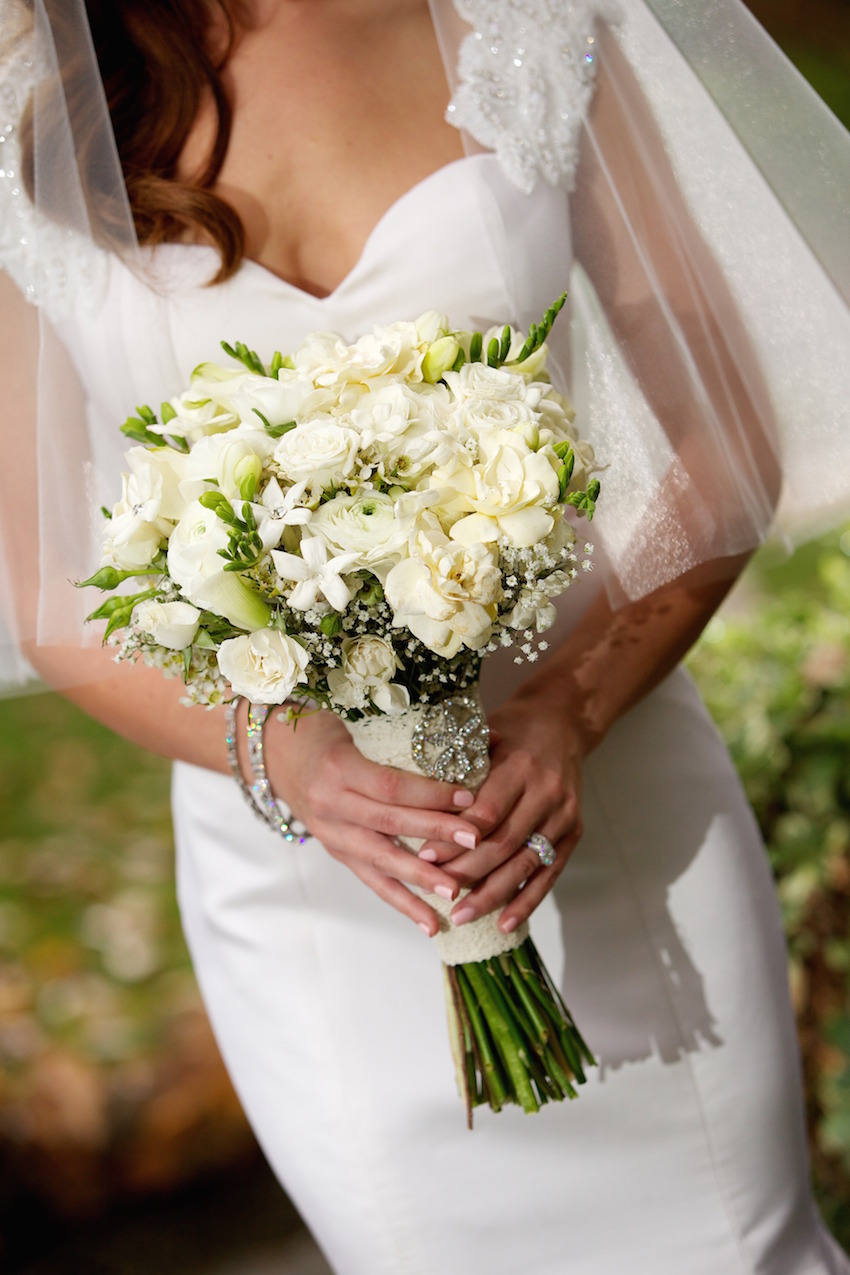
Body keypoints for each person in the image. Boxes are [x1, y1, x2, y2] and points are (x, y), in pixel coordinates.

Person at [2, 1, 850, 1271]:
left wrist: (572, 707)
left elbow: (721, 436)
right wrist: (291, 758)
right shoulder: (40, 101)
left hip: (607, 806)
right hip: (312, 881)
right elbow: (53, 604)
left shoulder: (521, 21)